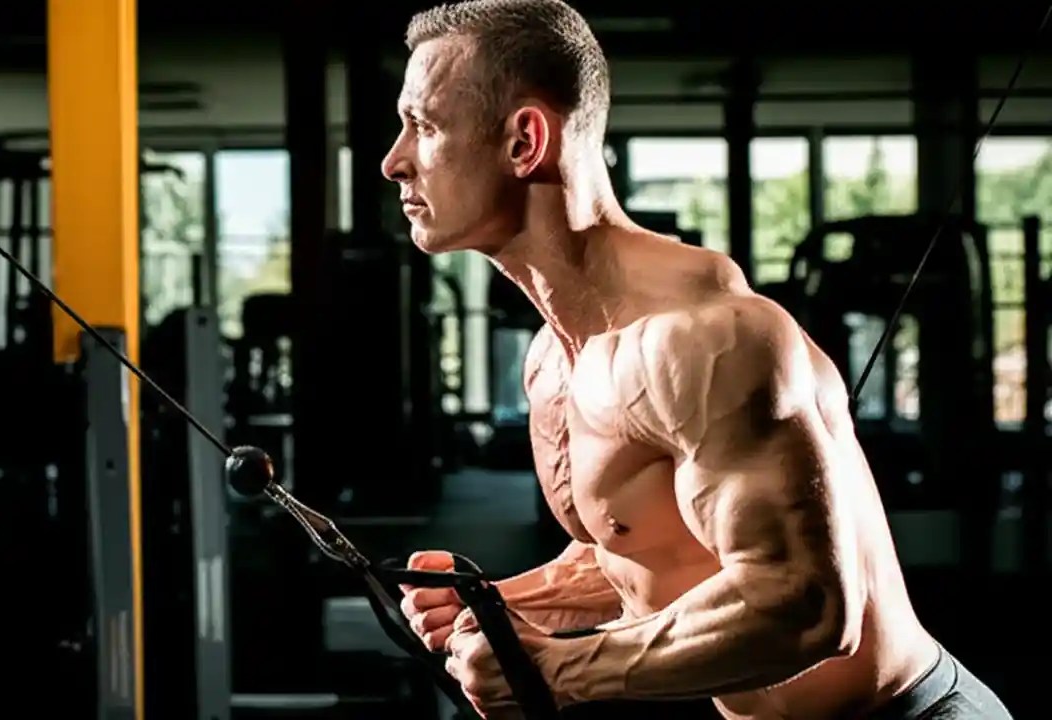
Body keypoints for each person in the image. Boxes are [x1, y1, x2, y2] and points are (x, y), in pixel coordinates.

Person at [382, 1, 1011, 718]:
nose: (393, 160)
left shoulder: (704, 338)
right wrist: (505, 606)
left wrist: (564, 669)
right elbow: (648, 541)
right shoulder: (553, 361)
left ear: (525, 141)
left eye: (423, 126)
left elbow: (806, 605)